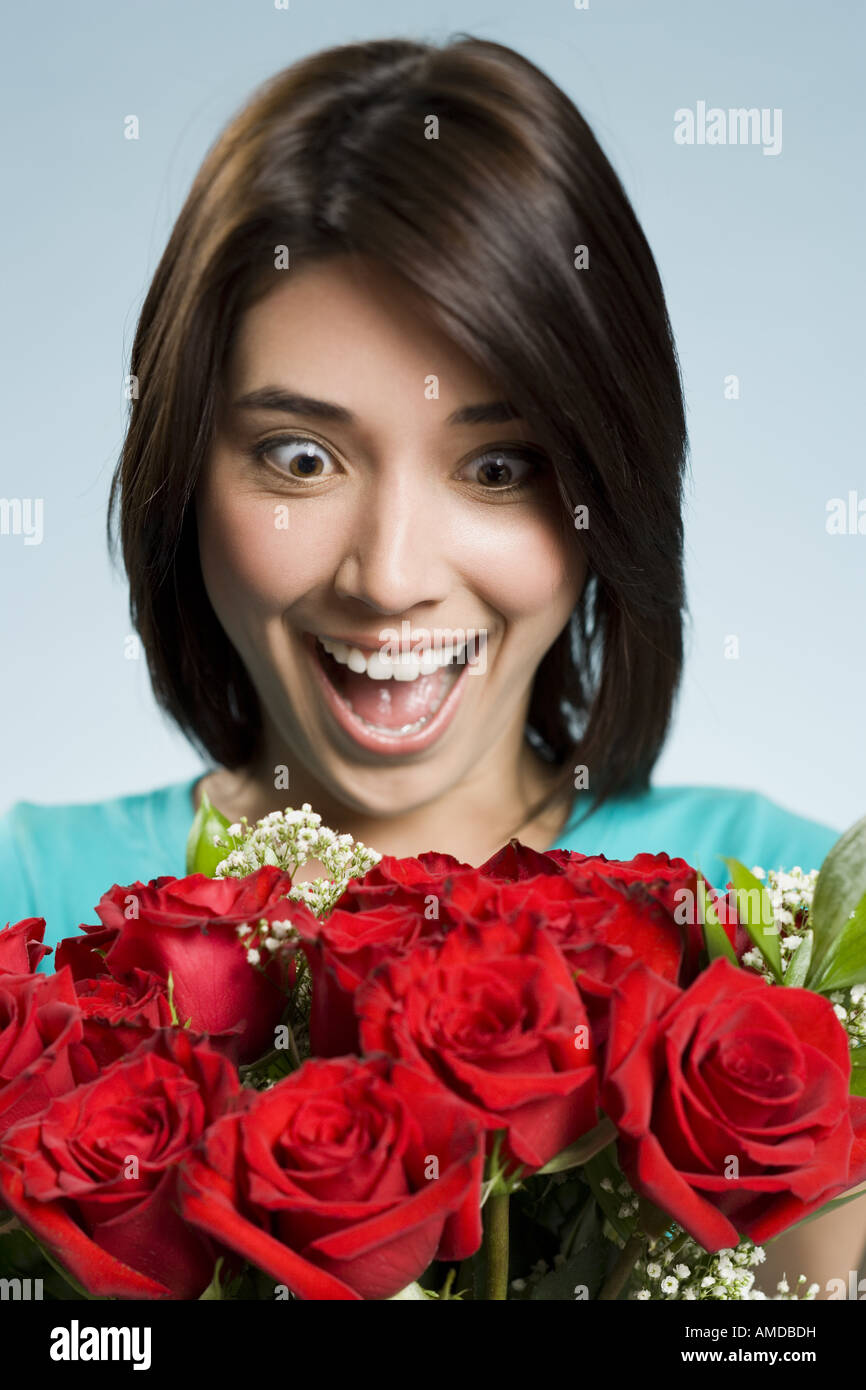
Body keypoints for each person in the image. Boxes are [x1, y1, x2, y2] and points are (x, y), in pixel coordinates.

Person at [0, 36, 858, 1294]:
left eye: (497, 465)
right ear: (186, 478)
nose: (389, 572)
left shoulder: (784, 948)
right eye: (300, 457)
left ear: (606, 490)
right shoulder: (23, 902)